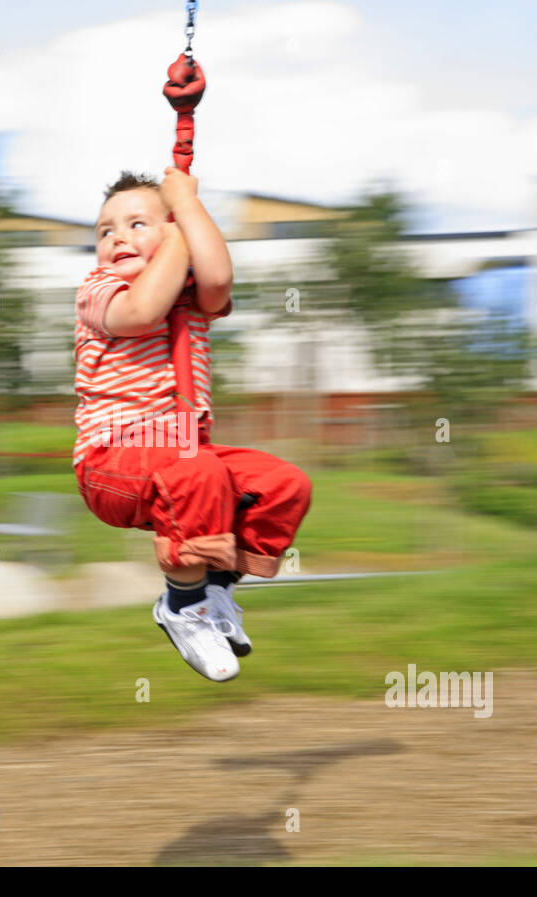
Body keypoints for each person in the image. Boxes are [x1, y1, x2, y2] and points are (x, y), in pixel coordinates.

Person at [72, 167, 312, 682]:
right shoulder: (99, 291)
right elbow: (140, 312)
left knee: (283, 485)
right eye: (105, 230)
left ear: (172, 230)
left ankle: (217, 588)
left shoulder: (193, 300)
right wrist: (173, 228)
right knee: (195, 466)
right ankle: (183, 606)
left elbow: (219, 276)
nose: (118, 238)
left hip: (178, 457)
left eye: (137, 224)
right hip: (110, 464)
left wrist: (188, 207)